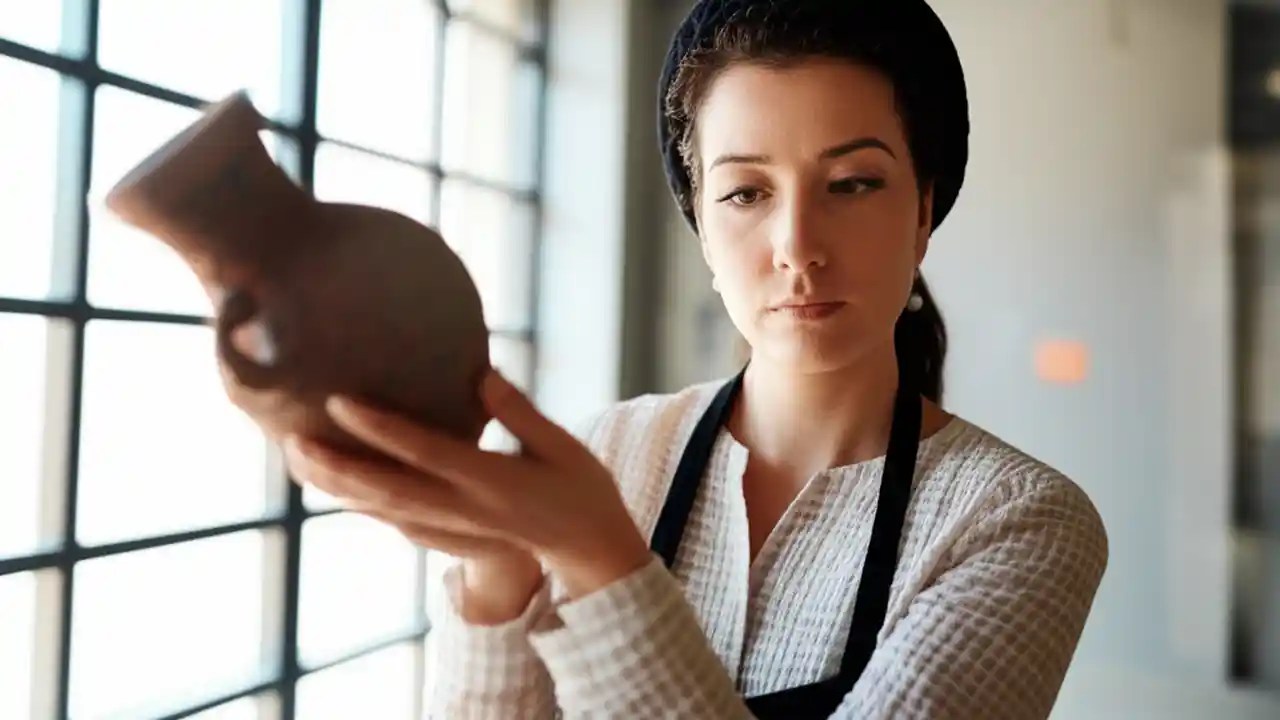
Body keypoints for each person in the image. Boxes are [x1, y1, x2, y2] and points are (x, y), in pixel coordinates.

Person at [282, 0, 1109, 717]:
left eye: (852, 183)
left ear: (923, 211)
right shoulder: (608, 454)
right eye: (747, 192)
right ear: (702, 228)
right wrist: (499, 572)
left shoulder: (1020, 521)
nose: (798, 247)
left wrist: (599, 557)